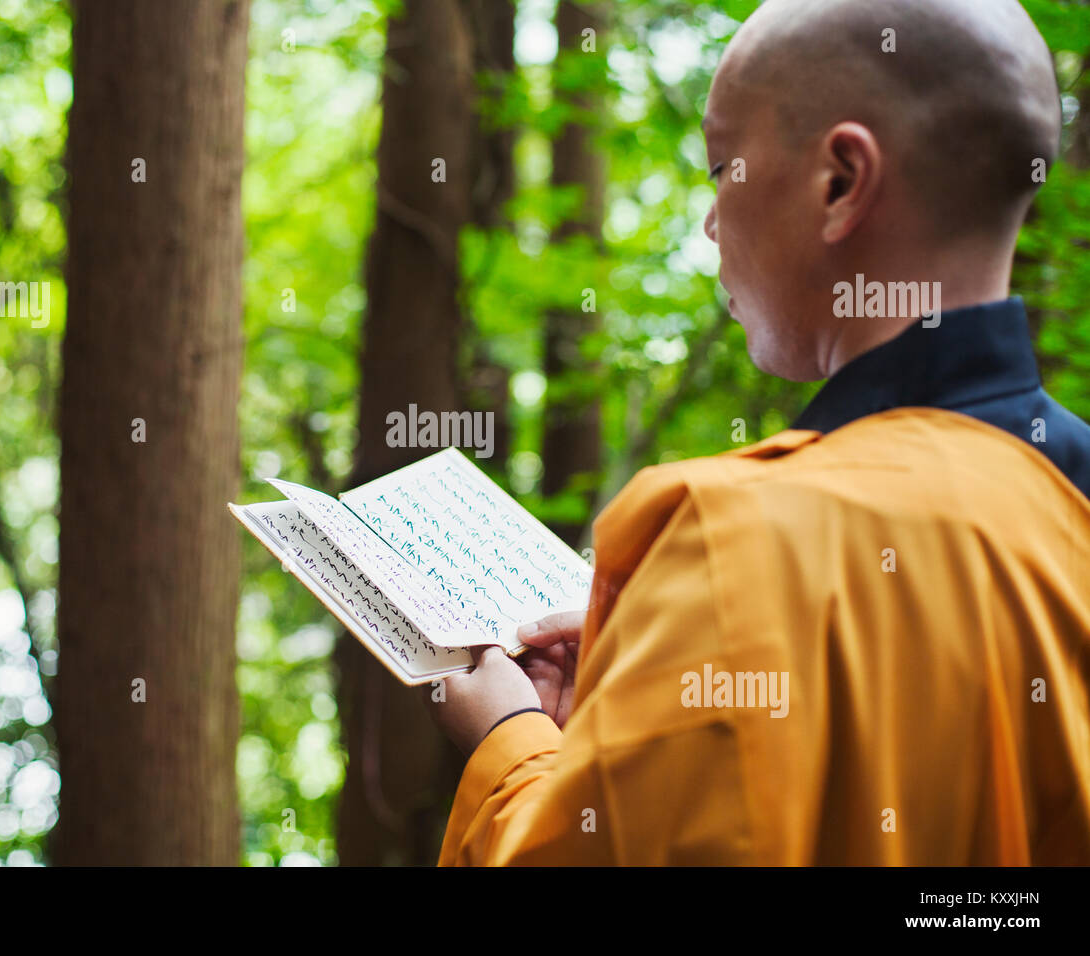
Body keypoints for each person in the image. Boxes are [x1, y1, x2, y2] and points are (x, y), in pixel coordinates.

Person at [427, 0, 1090, 865]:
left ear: (841, 181)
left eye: (722, 168)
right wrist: (658, 674)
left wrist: (511, 741)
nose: (710, 222)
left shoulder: (727, 538)